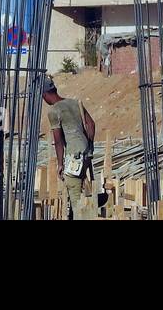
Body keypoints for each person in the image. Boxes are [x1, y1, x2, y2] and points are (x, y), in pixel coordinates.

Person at [43, 76, 96, 220]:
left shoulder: (54, 111)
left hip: (73, 157)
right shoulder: (75, 103)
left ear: (45, 95)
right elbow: (91, 124)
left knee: (75, 196)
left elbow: (58, 140)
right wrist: (89, 146)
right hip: (85, 155)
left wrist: (60, 164)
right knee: (80, 191)